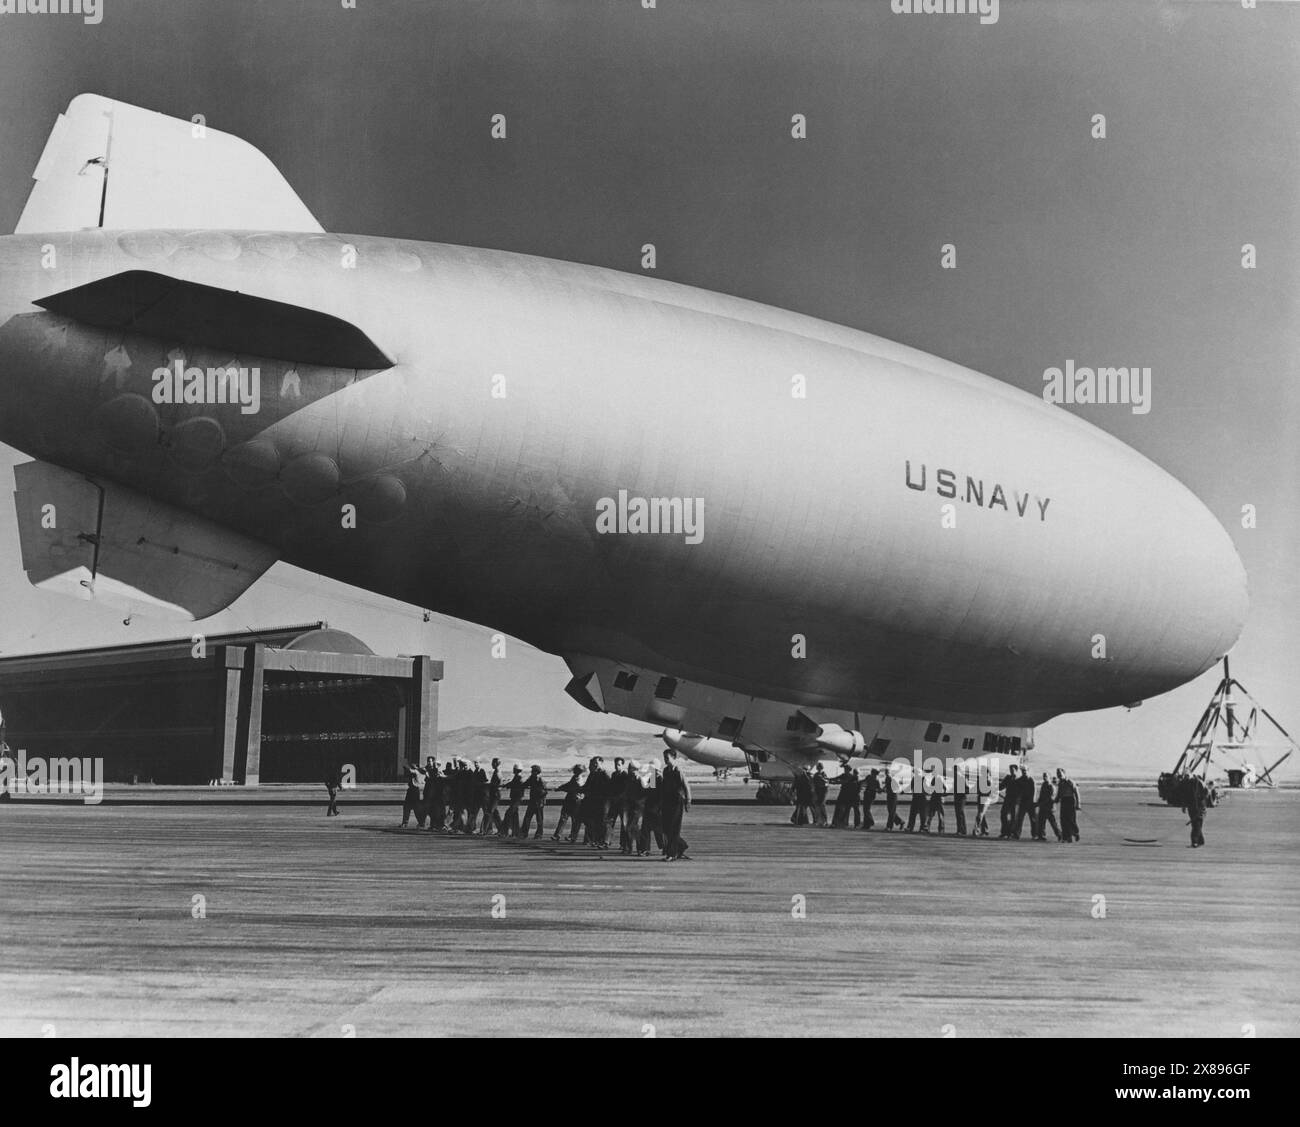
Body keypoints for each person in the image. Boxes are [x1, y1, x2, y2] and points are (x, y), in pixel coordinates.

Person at [660, 748, 691, 860]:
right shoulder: (665, 771)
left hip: (677, 802)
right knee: (667, 828)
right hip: (667, 802)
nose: (665, 760)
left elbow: (686, 785)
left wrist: (688, 801)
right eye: (664, 758)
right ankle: (681, 846)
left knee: (674, 828)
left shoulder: (678, 770)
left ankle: (671, 854)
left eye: (667, 758)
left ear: (673, 758)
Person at [554, 765, 585, 842]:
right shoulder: (575, 778)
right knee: (565, 817)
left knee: (573, 819)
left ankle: (572, 836)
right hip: (571, 799)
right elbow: (569, 785)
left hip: (575, 800)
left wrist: (561, 788)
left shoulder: (579, 779)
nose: (574, 771)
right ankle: (558, 835)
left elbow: (572, 787)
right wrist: (560, 788)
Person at [584, 757, 610, 848]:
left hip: (603, 801)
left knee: (603, 821)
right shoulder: (593, 774)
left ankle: (605, 842)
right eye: (593, 763)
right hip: (595, 801)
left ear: (601, 763)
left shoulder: (604, 773)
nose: (595, 765)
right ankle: (599, 841)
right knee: (597, 822)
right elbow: (587, 786)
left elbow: (610, 787)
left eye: (596, 763)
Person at [640, 767, 665, 855]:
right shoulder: (653, 778)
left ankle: (664, 847)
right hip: (650, 807)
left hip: (656, 808)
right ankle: (645, 849)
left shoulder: (660, 780)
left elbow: (661, 796)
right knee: (646, 829)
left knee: (658, 829)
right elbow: (648, 792)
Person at [623, 760, 646, 854]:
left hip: (638, 807)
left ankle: (630, 848)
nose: (628, 770)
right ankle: (639, 848)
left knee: (629, 828)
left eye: (629, 768)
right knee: (635, 828)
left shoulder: (640, 780)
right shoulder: (630, 779)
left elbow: (646, 793)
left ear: (634, 769)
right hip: (631, 806)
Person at [521, 765, 549, 839]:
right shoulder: (532, 778)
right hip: (533, 801)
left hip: (539, 802)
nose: (531, 772)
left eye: (533, 771)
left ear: (537, 772)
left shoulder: (540, 780)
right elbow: (525, 784)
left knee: (539, 819)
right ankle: (524, 833)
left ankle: (539, 834)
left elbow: (545, 791)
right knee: (527, 818)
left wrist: (540, 794)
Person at [1182, 774, 1209, 848]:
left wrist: (1203, 807)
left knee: (1196, 824)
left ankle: (1195, 841)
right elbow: (1205, 794)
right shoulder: (1190, 784)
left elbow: (1203, 795)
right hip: (1194, 807)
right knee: (1197, 824)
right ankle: (1200, 840)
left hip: (1197, 807)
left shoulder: (1196, 783)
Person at [501, 764, 527, 838]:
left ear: (516, 770)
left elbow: (514, 785)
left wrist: (505, 785)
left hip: (516, 799)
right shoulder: (517, 777)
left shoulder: (519, 778)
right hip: (515, 798)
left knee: (509, 813)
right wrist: (506, 785)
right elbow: (512, 783)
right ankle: (516, 833)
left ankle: (504, 832)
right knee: (514, 815)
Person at [1034, 772, 1061, 841]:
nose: (1044, 777)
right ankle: (1041, 836)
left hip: (1049, 807)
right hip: (1043, 807)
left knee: (1053, 823)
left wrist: (1040, 803)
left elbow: (1050, 798)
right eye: (1044, 776)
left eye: (1046, 776)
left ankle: (1060, 835)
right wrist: (1038, 802)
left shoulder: (1051, 786)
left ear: (1049, 777)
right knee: (1041, 822)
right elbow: (1041, 795)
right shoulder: (1044, 785)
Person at [1014, 763, 1038, 840]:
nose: (1024, 772)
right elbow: (1017, 790)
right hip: (1023, 802)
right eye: (1022, 771)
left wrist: (1033, 802)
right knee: (1019, 819)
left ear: (1028, 770)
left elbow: (1034, 792)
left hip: (1030, 802)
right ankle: (1017, 834)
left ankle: (1035, 835)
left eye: (1025, 770)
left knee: (1033, 819)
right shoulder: (1020, 780)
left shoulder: (1031, 780)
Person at [1056, 768, 1081, 842]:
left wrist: (1078, 804)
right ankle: (1066, 837)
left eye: (1060, 774)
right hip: (1063, 801)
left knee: (1071, 820)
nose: (1059, 775)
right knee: (1063, 820)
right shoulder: (1060, 783)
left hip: (1070, 801)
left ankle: (1075, 833)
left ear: (1064, 773)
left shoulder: (1070, 782)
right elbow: (1059, 793)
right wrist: (1056, 799)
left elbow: (1076, 793)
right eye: (1058, 774)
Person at [400, 760, 424, 827]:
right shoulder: (414, 772)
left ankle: (421, 822)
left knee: (416, 808)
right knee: (406, 807)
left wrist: (405, 765)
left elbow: (410, 770)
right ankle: (405, 822)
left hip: (415, 791)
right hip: (410, 790)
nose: (412, 765)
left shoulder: (417, 771)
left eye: (414, 765)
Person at [998, 765, 1019, 839]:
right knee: (1003, 814)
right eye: (1010, 770)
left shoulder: (1019, 779)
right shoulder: (1008, 777)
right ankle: (1004, 832)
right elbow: (1001, 787)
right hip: (1007, 798)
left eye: (1013, 770)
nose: (1011, 771)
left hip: (1015, 800)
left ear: (1016, 770)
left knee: (1013, 817)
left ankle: (1011, 833)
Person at [924, 767, 945, 834]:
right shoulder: (937, 778)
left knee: (932, 814)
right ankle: (940, 829)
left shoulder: (937, 778)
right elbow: (944, 788)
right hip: (937, 798)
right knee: (938, 814)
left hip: (936, 798)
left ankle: (928, 827)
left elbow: (942, 788)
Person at [906, 768, 927, 832]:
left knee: (913, 814)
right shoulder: (923, 779)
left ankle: (910, 827)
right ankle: (922, 827)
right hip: (921, 798)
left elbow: (910, 787)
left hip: (917, 798)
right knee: (922, 814)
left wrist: (903, 791)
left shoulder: (915, 779)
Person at [810, 763, 830, 827]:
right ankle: (819, 821)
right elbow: (813, 783)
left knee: (822, 806)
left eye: (820, 768)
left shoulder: (824, 774)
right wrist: (813, 792)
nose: (819, 769)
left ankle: (824, 821)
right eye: (818, 768)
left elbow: (826, 782)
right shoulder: (816, 775)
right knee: (817, 807)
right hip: (817, 791)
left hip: (823, 791)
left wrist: (821, 778)